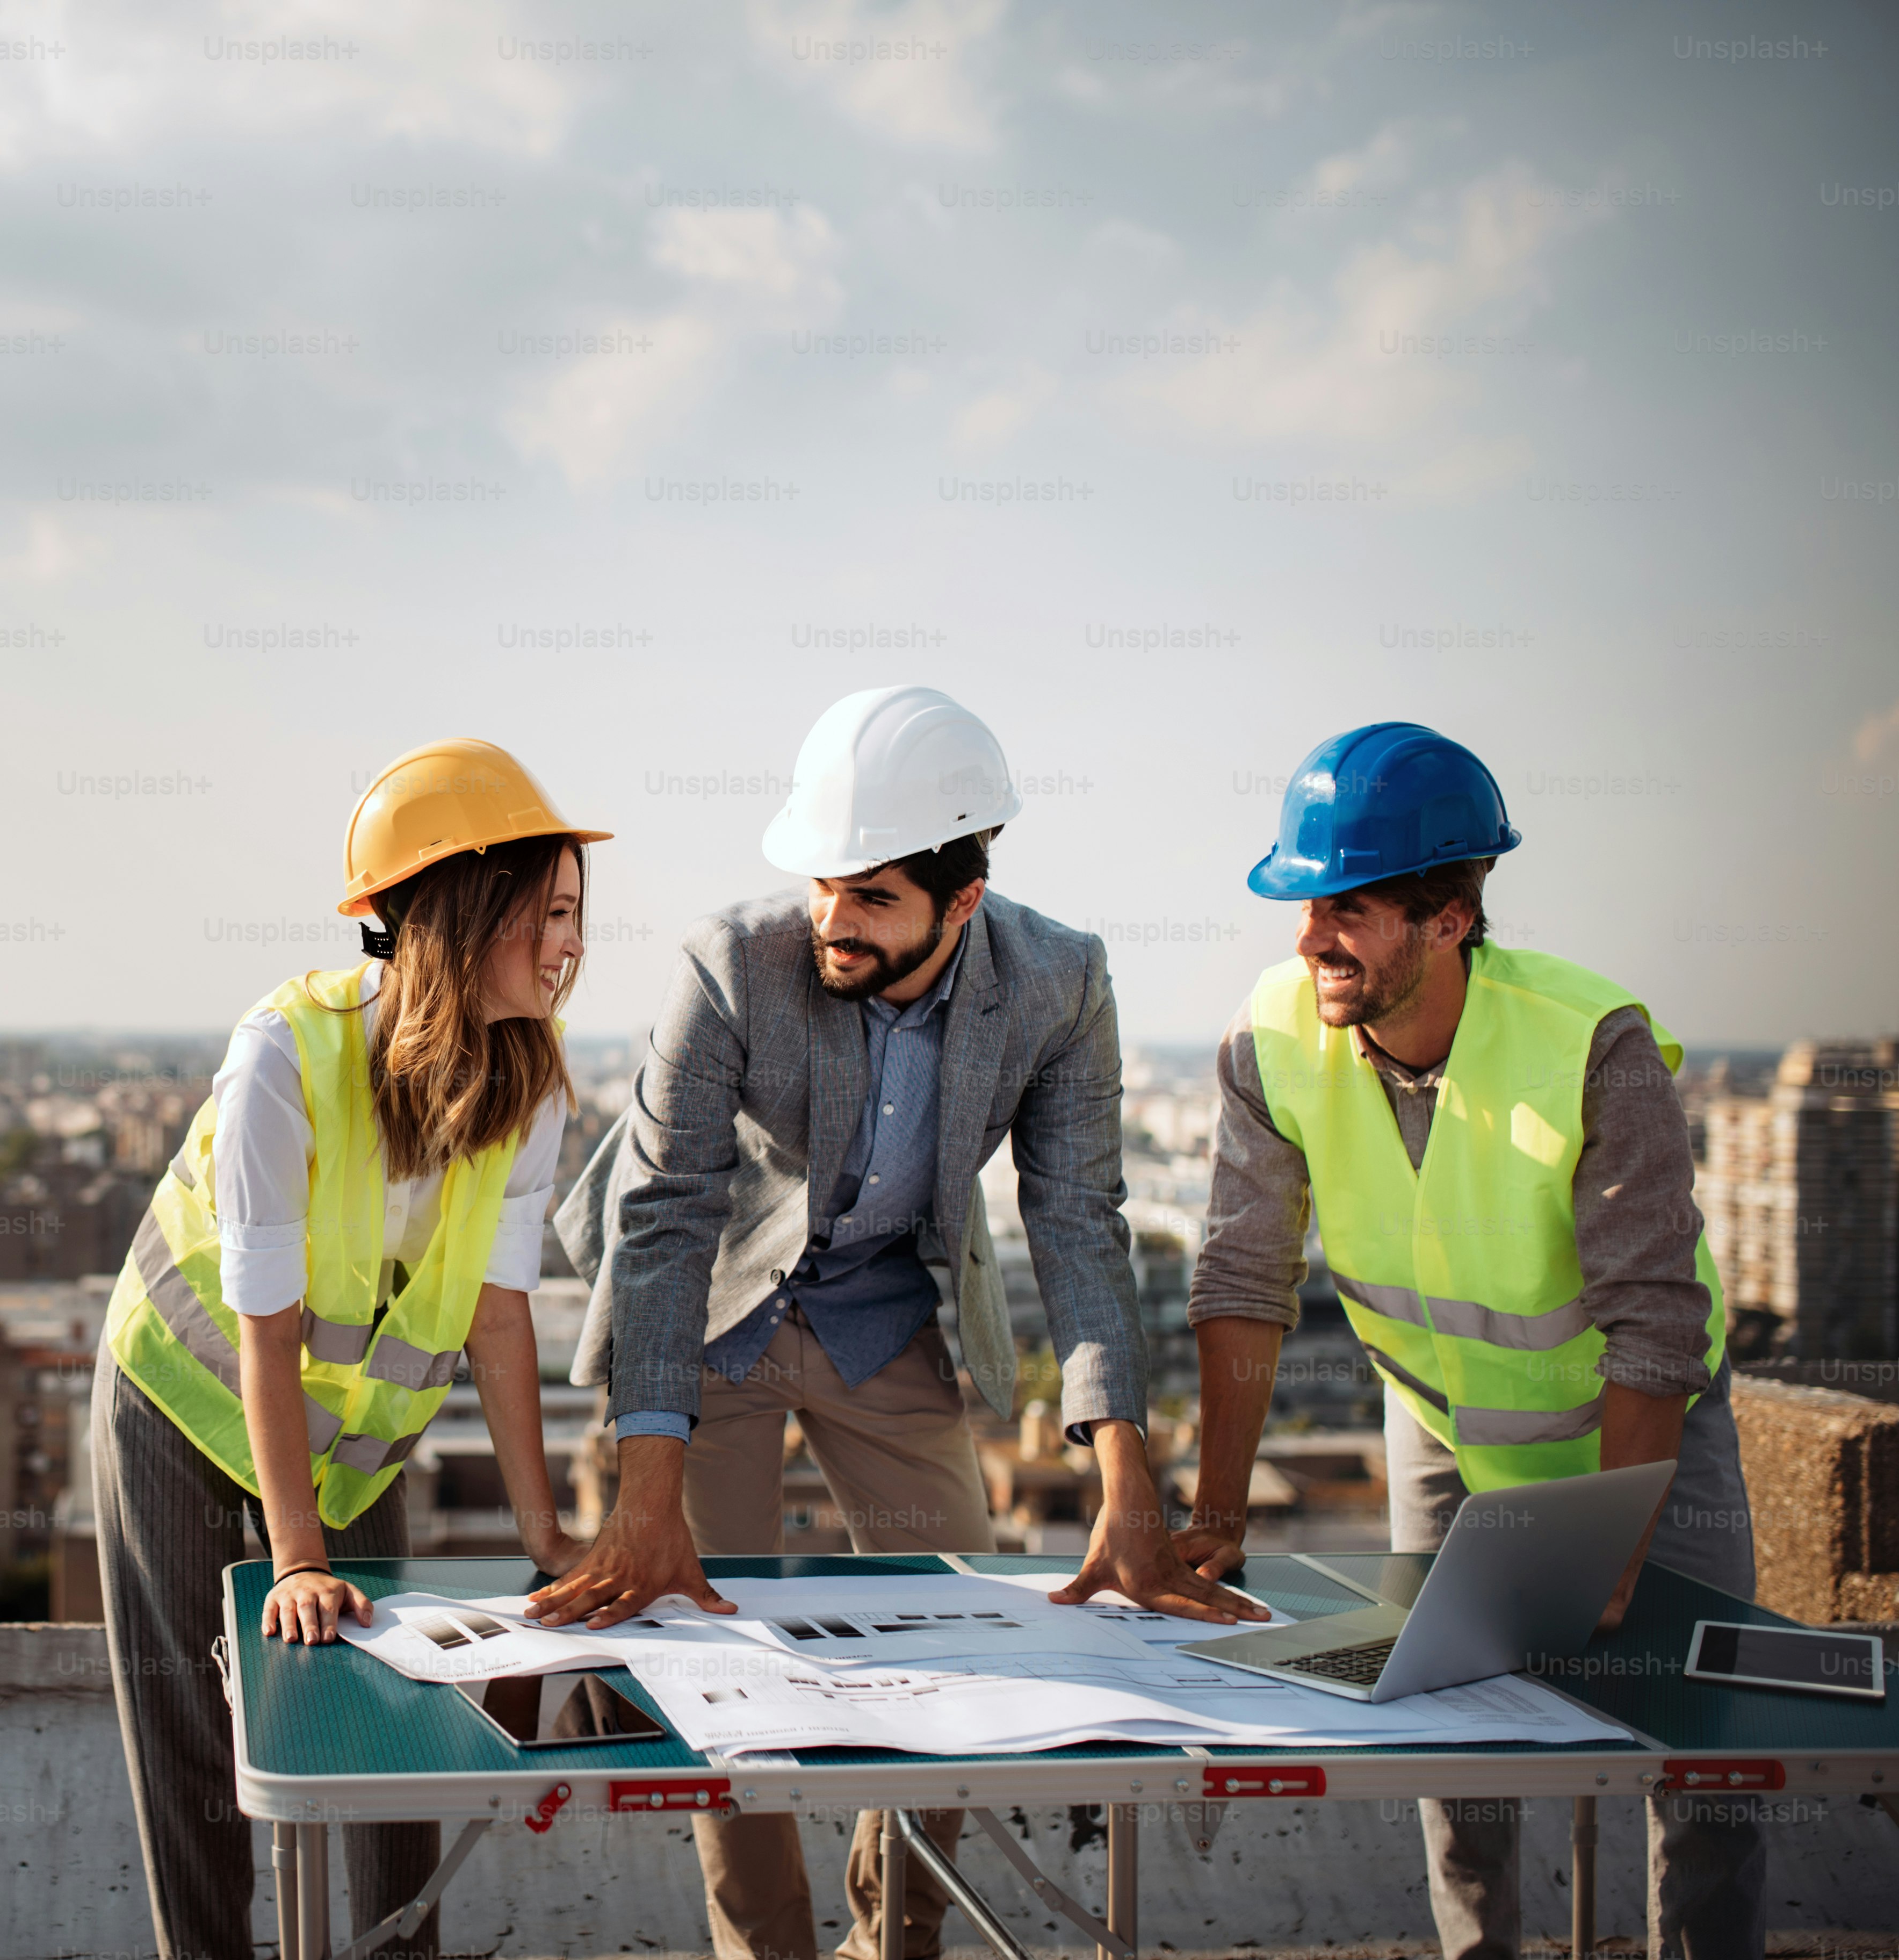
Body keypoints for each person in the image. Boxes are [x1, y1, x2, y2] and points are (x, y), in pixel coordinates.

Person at [535, 686, 1260, 1960]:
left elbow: (1080, 1221)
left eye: (872, 897)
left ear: (962, 898)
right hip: (716, 1306)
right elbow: (662, 1219)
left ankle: (900, 1936)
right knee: (722, 1662)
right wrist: (647, 1473)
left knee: (973, 1646)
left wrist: (1127, 1481)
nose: (834, 919)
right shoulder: (729, 960)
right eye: (824, 883)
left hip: (891, 1317)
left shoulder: (1060, 980)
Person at [1178, 722, 1759, 1960]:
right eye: (1303, 903)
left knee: (1701, 1745)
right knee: (1446, 1730)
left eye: (1349, 908)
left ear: (1450, 917)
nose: (1310, 936)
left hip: (1646, 1428)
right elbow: (1242, 1275)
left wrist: (1613, 1542)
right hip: (1438, 1422)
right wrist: (1219, 1514)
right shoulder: (1274, 1036)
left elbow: (1656, 1326)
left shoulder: (1589, 1048)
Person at [89, 737, 600, 1960]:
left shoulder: (529, 1087)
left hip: (352, 1452)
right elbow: (265, 1334)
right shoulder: (286, 1058)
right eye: (548, 916)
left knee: (391, 1722)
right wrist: (298, 1560)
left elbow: (497, 1318)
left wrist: (547, 1538)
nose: (572, 947)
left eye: (578, 916)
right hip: (183, 1399)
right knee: (197, 1745)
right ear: (459, 914)